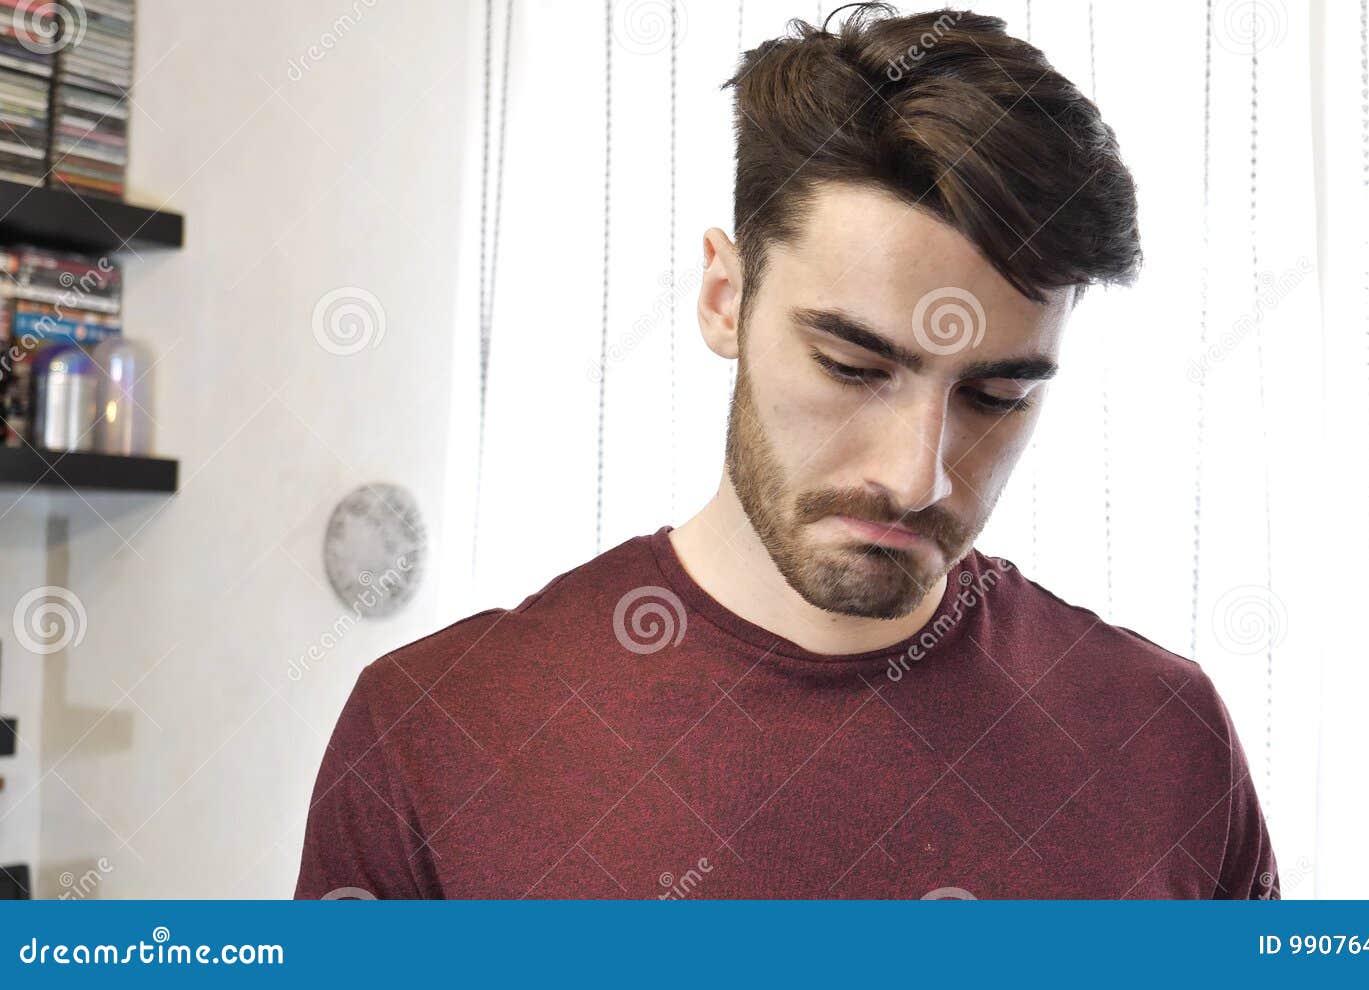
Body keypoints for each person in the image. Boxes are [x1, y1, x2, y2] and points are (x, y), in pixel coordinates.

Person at [294, 4, 1278, 900]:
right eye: (854, 367)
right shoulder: (434, 732)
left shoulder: (1163, 741)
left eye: (995, 397)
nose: (916, 477)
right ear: (726, 299)